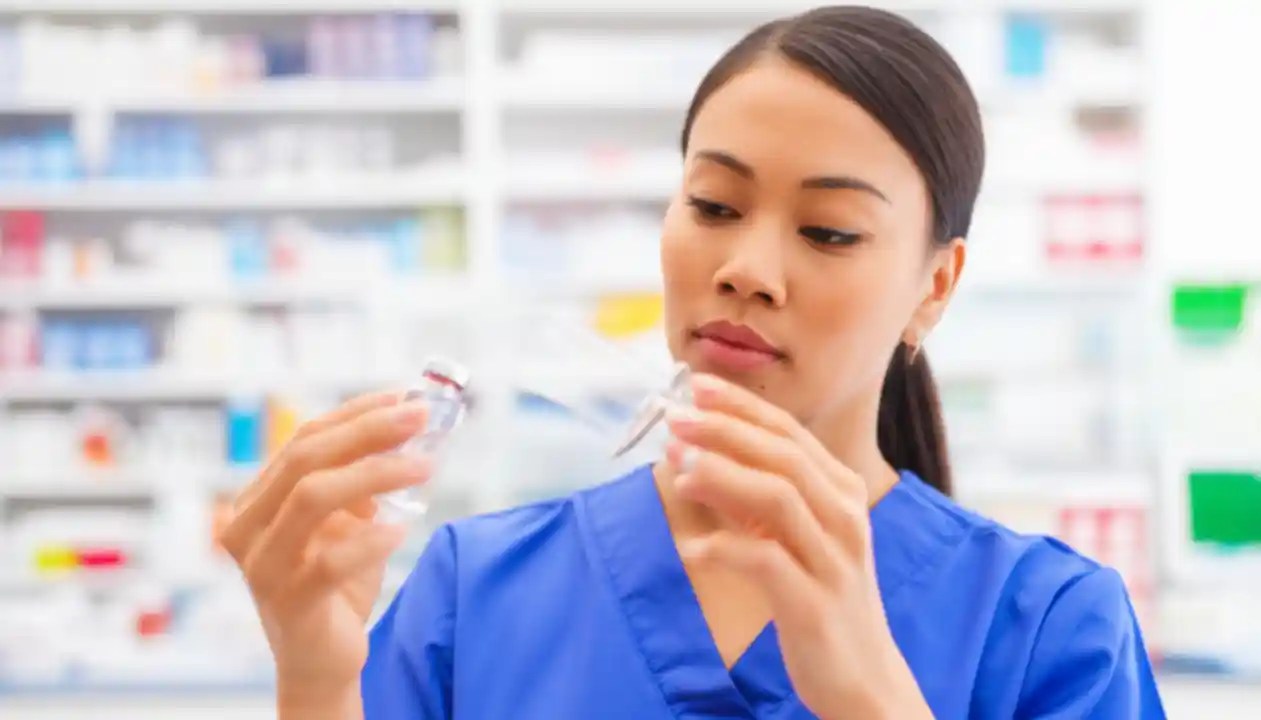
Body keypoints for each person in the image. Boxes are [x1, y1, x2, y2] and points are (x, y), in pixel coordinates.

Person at [221, 6, 1166, 719]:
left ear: (934, 286)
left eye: (829, 232)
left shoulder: (1051, 630)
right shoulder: (475, 591)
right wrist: (314, 676)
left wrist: (871, 693)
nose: (746, 272)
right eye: (713, 207)